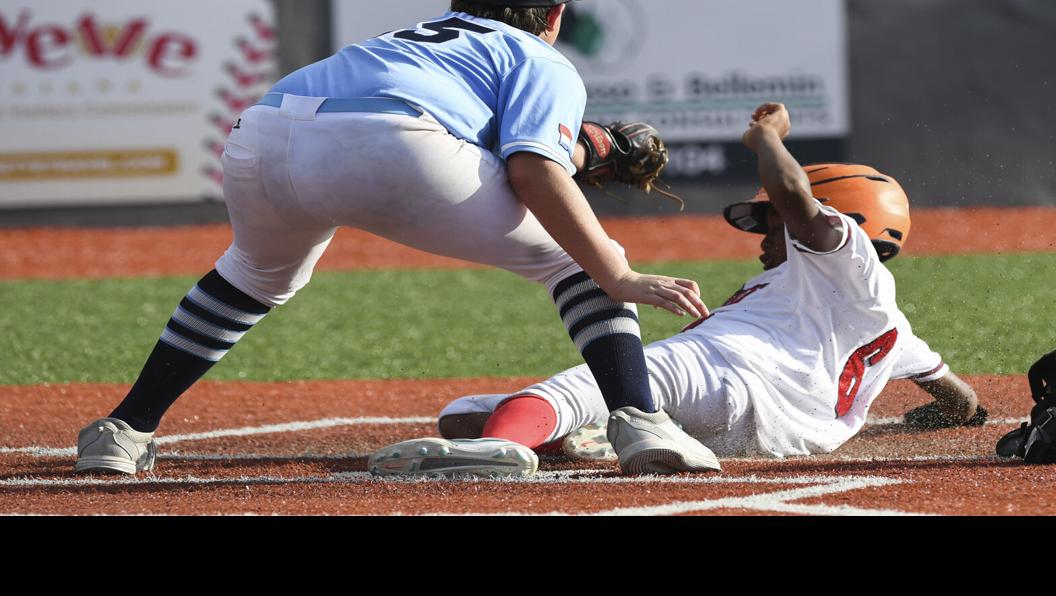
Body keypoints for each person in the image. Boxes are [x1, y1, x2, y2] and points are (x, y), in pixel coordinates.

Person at [73, 1, 719, 478]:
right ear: (554, 15)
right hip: (390, 143)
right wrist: (616, 272)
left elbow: (497, 145)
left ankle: (122, 431)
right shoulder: (541, 57)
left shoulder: (410, 37)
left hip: (263, 134)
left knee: (251, 276)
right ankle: (641, 423)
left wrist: (583, 149)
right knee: (581, 260)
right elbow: (530, 168)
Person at [368, 102, 984, 478]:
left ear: (849, 219)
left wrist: (767, 138)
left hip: (730, 372)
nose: (764, 235)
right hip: (775, 437)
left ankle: (502, 451)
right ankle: (576, 434)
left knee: (568, 391)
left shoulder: (847, 260)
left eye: (769, 222)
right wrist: (927, 418)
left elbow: (798, 199)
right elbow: (962, 402)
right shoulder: (888, 322)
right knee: (464, 414)